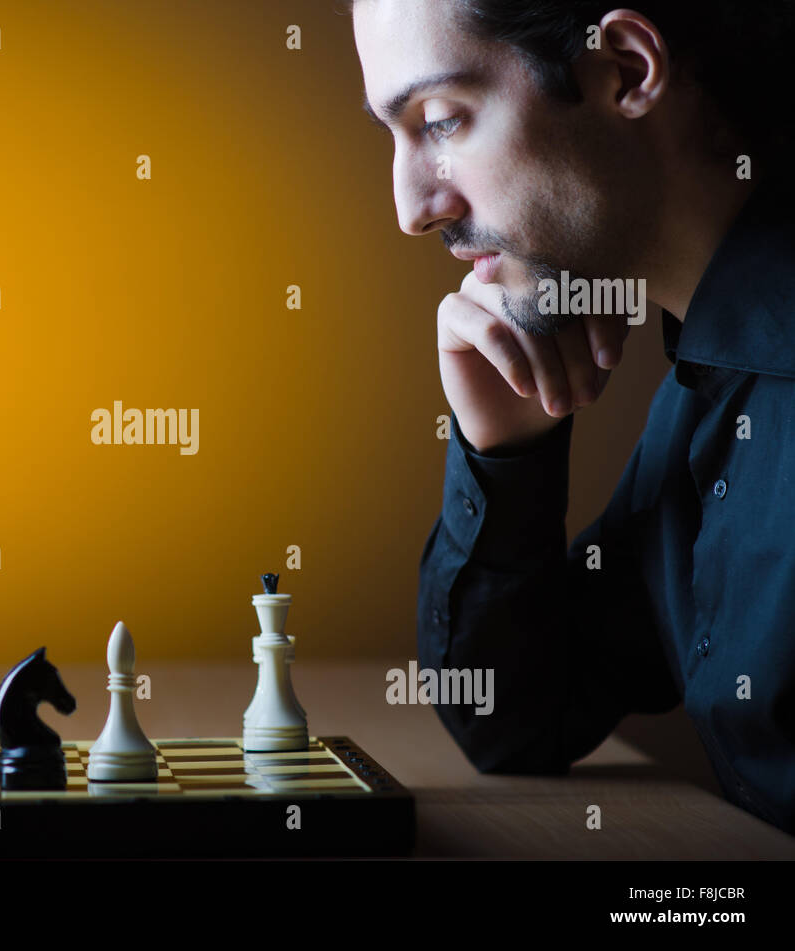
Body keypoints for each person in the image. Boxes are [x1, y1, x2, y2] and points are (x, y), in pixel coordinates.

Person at [349, 0, 795, 833]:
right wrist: (506, 453)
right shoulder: (708, 392)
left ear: (625, 70)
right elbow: (518, 720)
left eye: (442, 120)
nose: (412, 207)